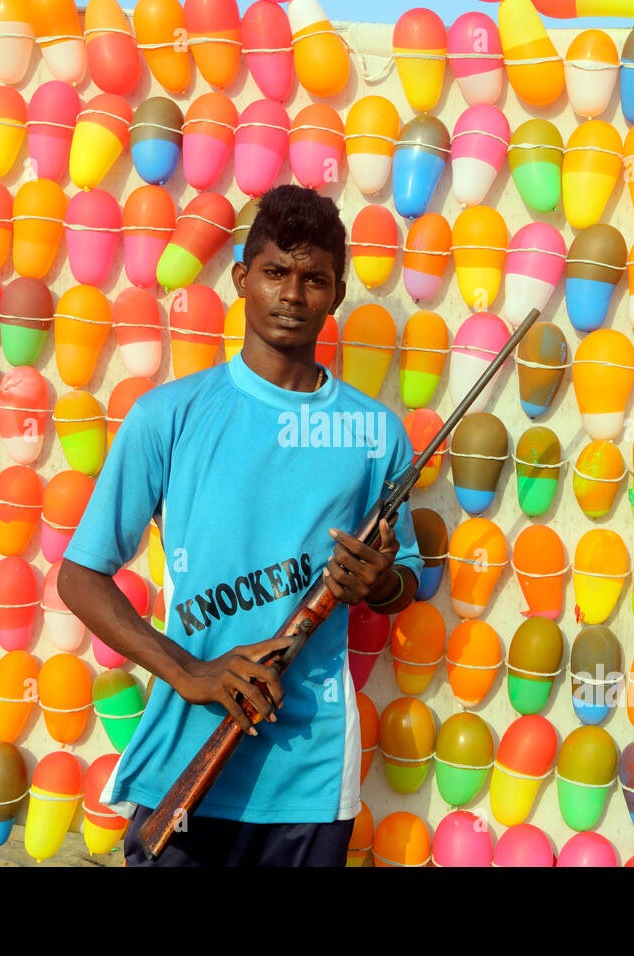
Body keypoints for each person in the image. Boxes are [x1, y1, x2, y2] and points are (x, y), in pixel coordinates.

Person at [58, 185, 422, 867]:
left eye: (314, 278)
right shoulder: (169, 415)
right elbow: (80, 576)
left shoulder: (378, 435)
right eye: (276, 271)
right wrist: (191, 672)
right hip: (187, 760)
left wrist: (380, 582)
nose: (292, 293)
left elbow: (404, 586)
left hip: (310, 779)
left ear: (336, 294)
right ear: (240, 279)